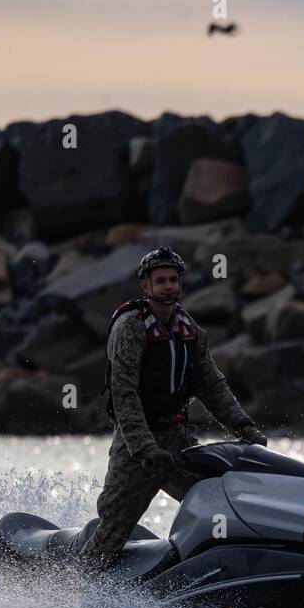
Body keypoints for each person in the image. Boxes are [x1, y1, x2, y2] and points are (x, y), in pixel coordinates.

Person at [77, 245, 266, 571]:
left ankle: (224, 571)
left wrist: (242, 426)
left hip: (178, 443)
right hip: (136, 449)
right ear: (145, 285)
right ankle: (79, 586)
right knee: (114, 526)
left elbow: (211, 384)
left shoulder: (188, 330)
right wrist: (144, 447)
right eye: (161, 280)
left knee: (216, 503)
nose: (168, 286)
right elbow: (124, 393)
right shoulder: (131, 327)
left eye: (174, 280)